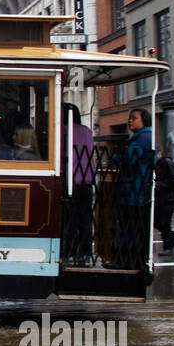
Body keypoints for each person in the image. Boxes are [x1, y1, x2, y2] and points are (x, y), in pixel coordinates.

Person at [115, 108, 154, 268]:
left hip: (133, 191)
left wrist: (117, 157)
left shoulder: (142, 138)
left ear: (143, 120)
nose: (129, 121)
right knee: (134, 228)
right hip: (137, 190)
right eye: (130, 118)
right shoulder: (145, 137)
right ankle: (132, 260)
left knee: (129, 228)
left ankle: (126, 261)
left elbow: (129, 159)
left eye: (134, 118)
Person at [61, 103, 94, 264]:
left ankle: (70, 251)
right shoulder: (86, 130)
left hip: (70, 180)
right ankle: (86, 252)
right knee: (85, 218)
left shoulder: (63, 130)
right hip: (87, 180)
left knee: (69, 219)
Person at [154, 149, 174, 255]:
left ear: (160, 153)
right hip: (160, 198)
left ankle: (168, 246)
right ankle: (170, 237)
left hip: (168, 198)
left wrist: (157, 185)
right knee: (156, 221)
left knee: (165, 222)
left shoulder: (167, 163)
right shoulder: (157, 164)